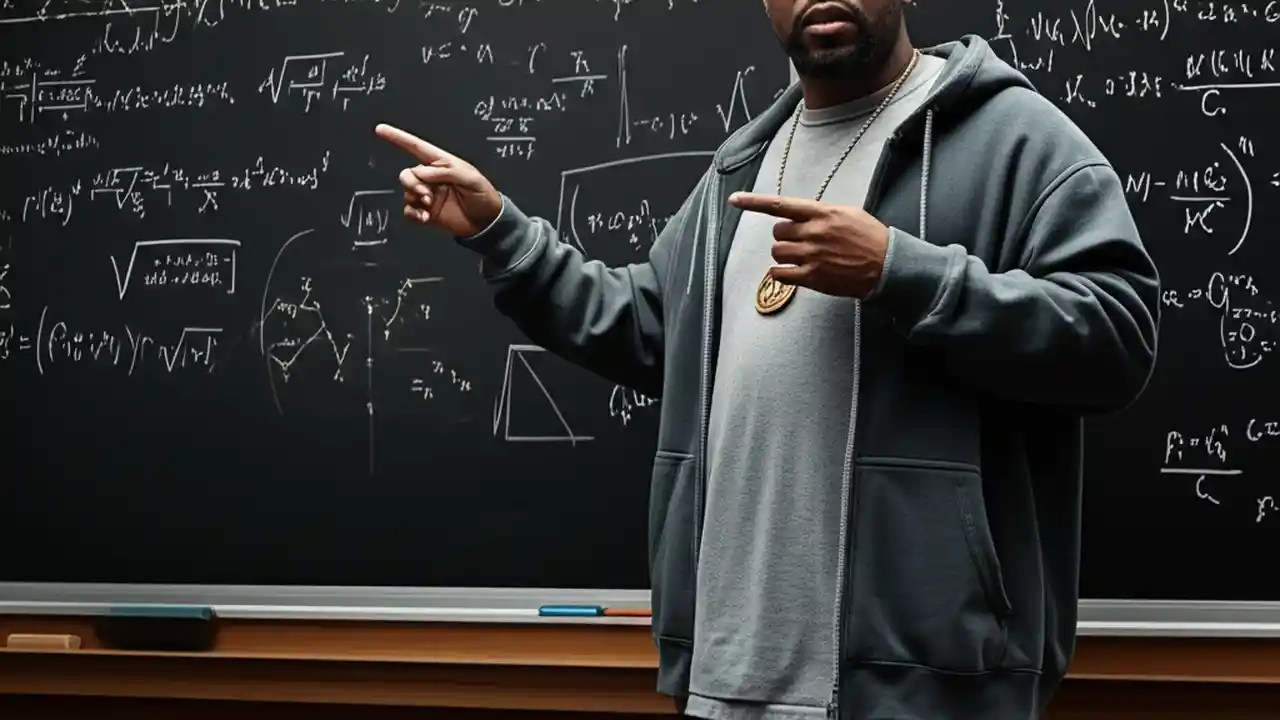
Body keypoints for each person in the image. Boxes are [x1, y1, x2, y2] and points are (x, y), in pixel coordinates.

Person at [375, 0, 1161, 717]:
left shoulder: (1017, 140)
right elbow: (648, 327)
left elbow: (1118, 339)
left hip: (919, 686)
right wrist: (499, 231)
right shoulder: (743, 165)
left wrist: (900, 271)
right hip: (728, 673)